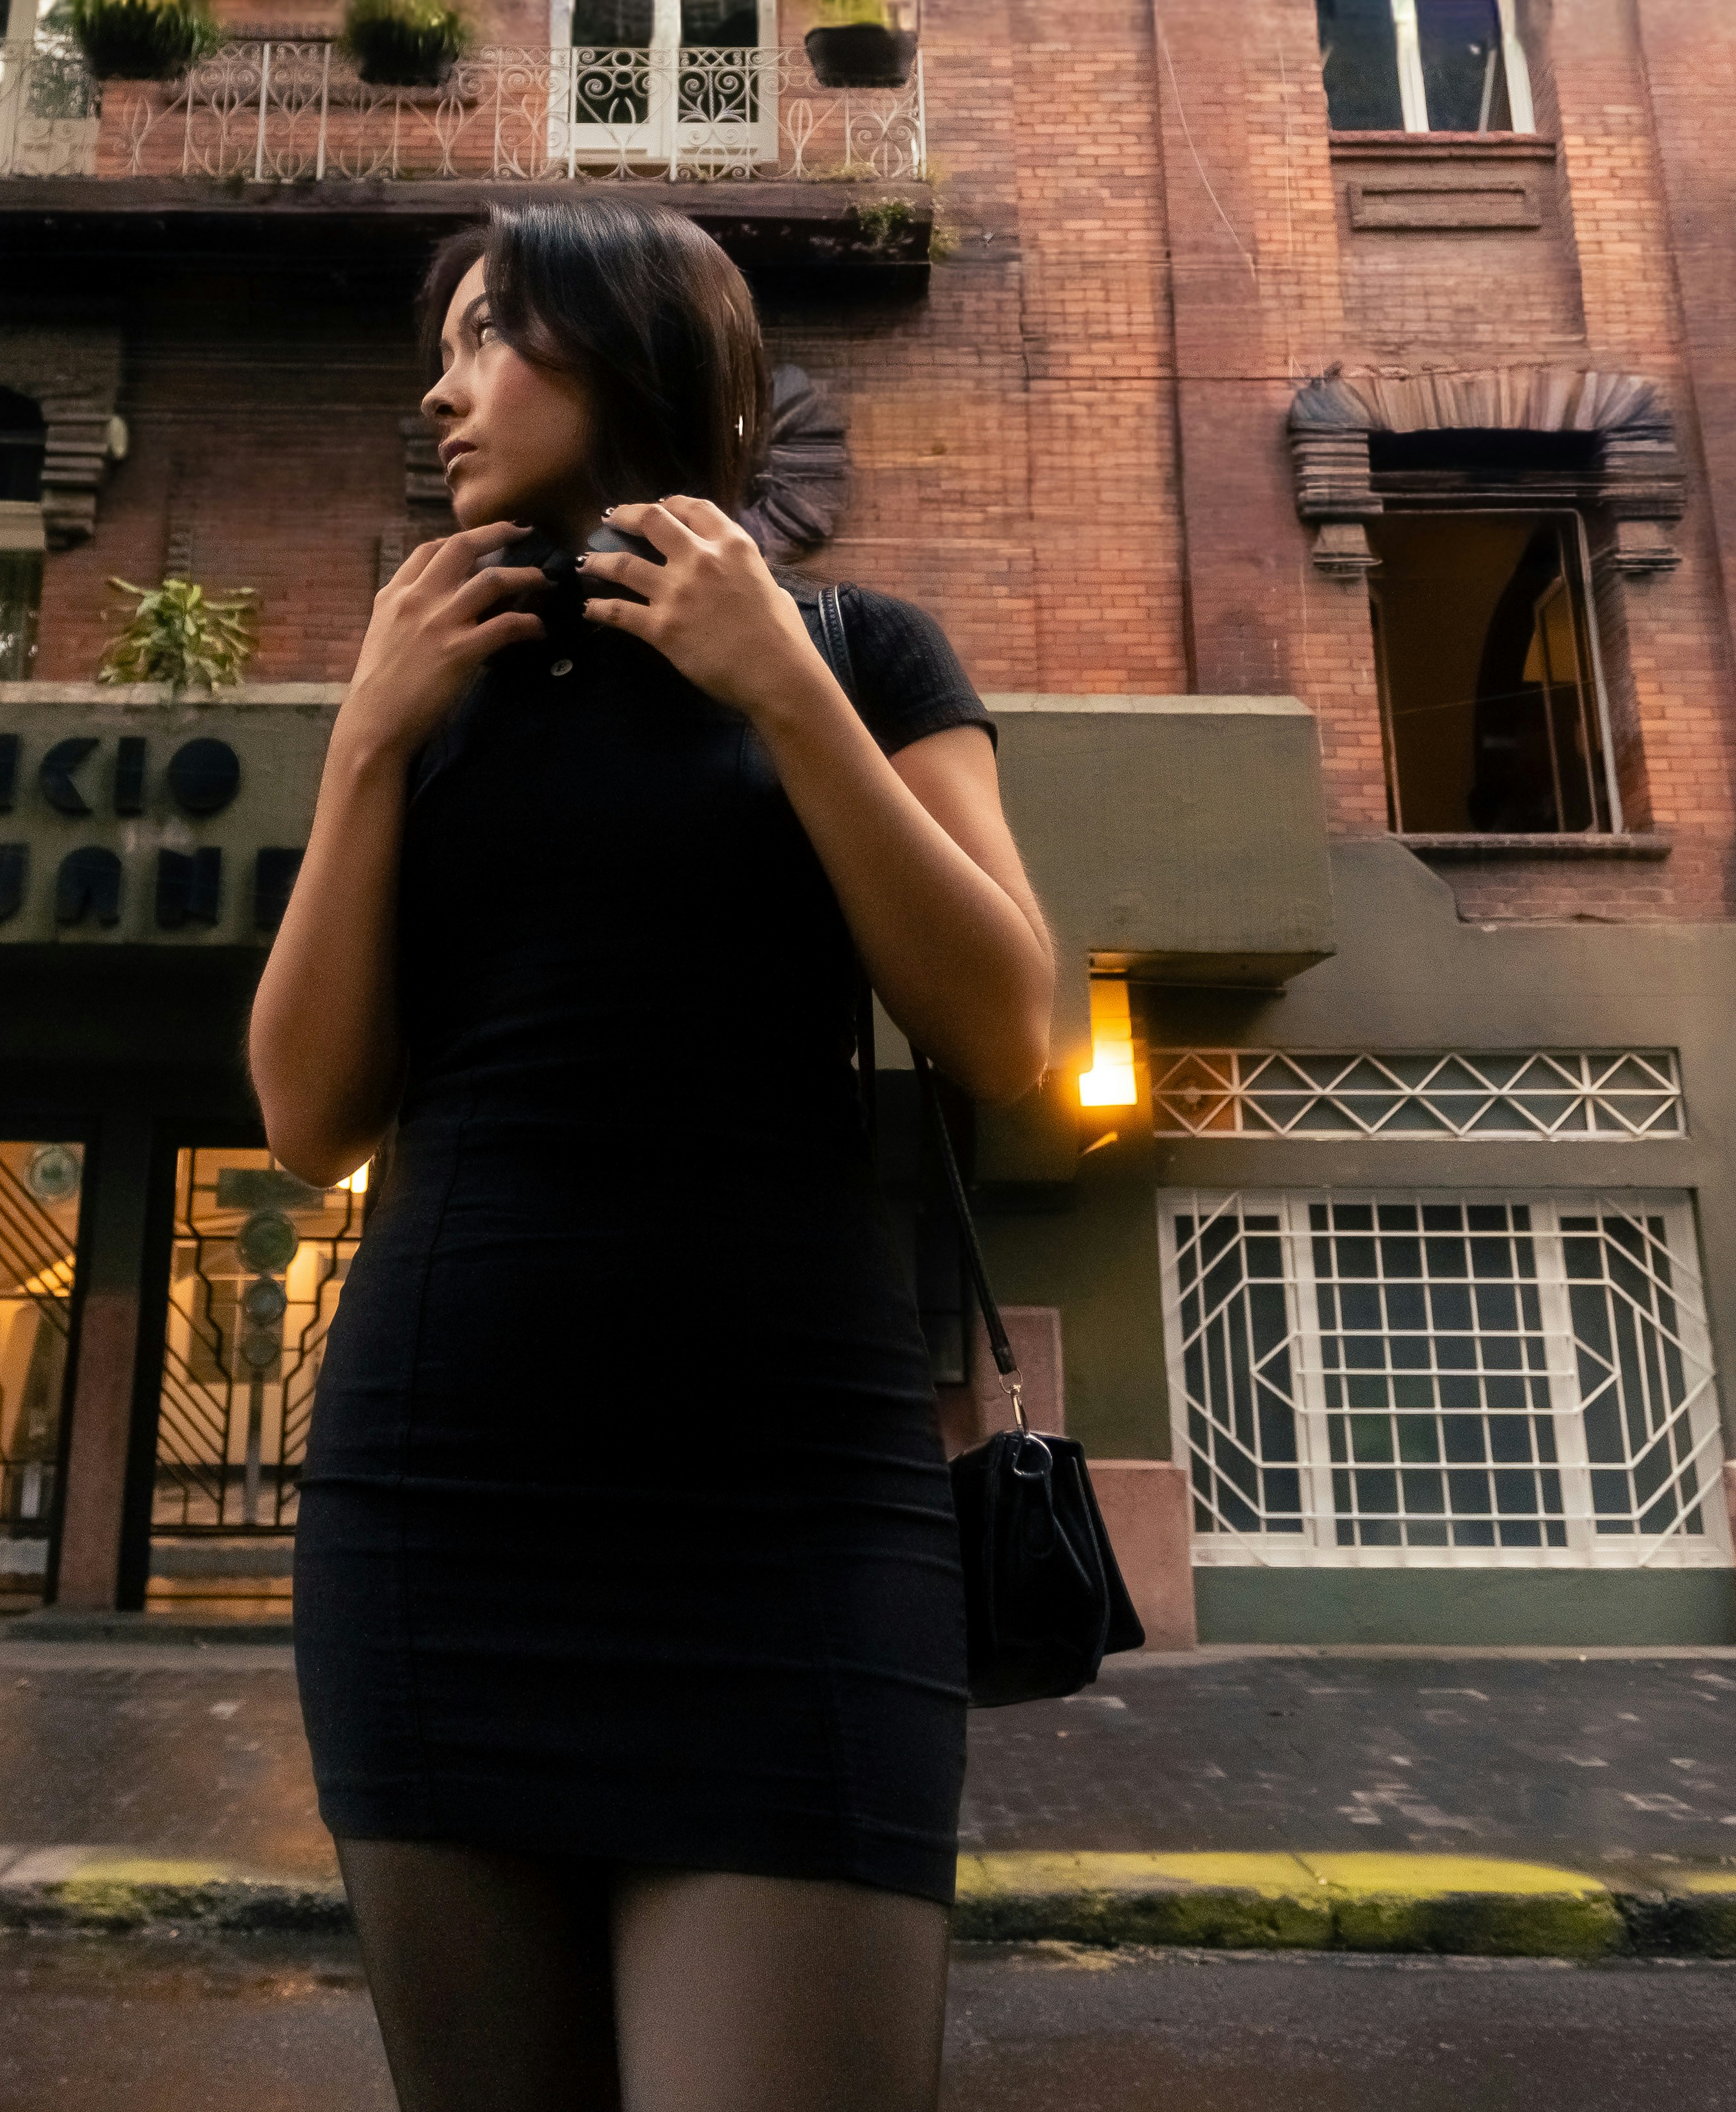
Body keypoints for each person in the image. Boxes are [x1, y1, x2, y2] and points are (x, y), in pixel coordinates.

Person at [249, 197, 1058, 2112]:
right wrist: (364, 745)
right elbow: (303, 1116)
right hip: (438, 1497)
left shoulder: (864, 648)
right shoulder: (428, 680)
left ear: (629, 354)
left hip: (787, 1496)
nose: (436, 396)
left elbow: (1008, 1028)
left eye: (483, 340)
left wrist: (782, 686)